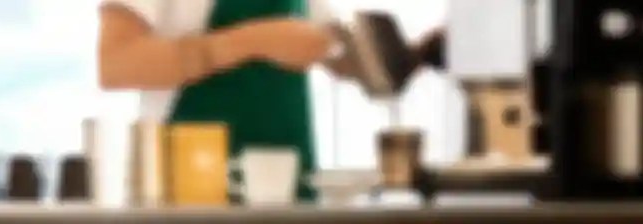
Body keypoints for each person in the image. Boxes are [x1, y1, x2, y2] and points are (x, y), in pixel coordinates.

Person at [97, 0, 443, 200]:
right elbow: (116, 63)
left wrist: (407, 57)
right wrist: (253, 41)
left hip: (291, 190)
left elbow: (330, 46)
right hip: (190, 199)